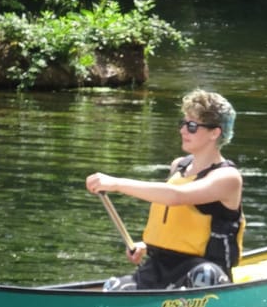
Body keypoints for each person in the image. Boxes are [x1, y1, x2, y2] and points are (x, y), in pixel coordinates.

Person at [86, 89, 244, 291]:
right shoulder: (178, 166)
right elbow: (177, 220)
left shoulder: (228, 178)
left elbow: (176, 196)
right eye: (183, 123)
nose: (183, 130)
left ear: (215, 132)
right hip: (159, 267)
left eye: (192, 126)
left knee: (204, 275)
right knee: (113, 287)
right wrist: (146, 246)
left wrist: (116, 184)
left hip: (202, 269)